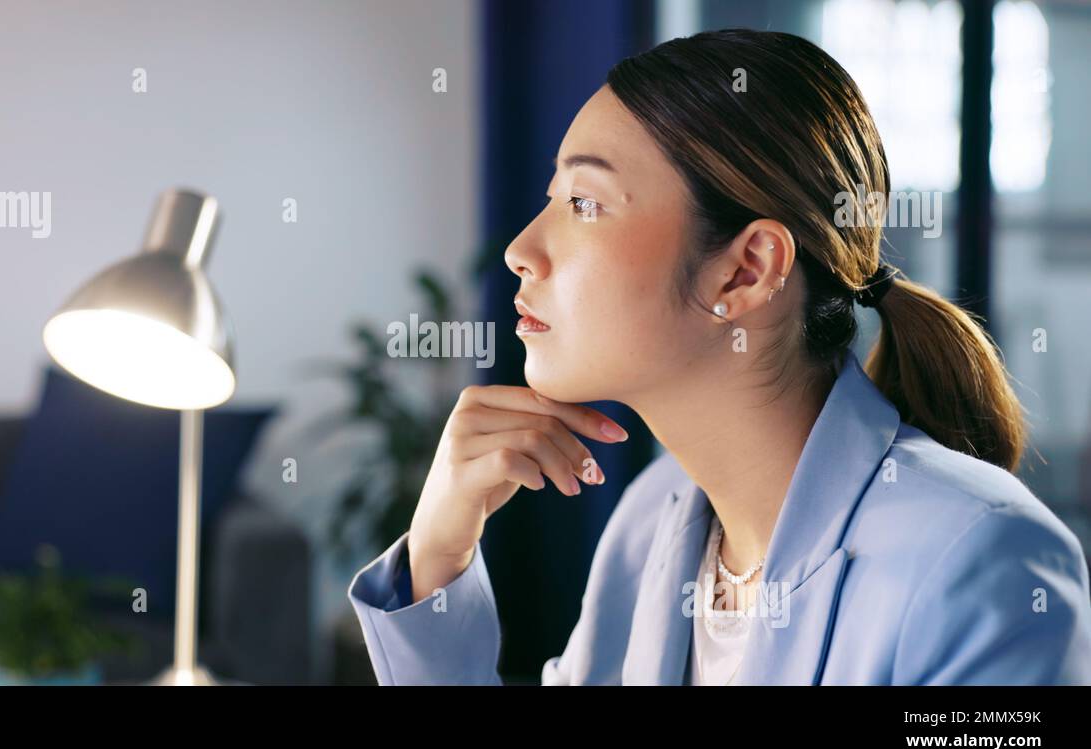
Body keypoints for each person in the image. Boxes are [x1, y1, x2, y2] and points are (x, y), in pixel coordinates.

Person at [346, 29, 1091, 685]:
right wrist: (439, 557)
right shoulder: (649, 525)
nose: (519, 251)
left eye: (584, 203)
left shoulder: (982, 560)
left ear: (746, 270)